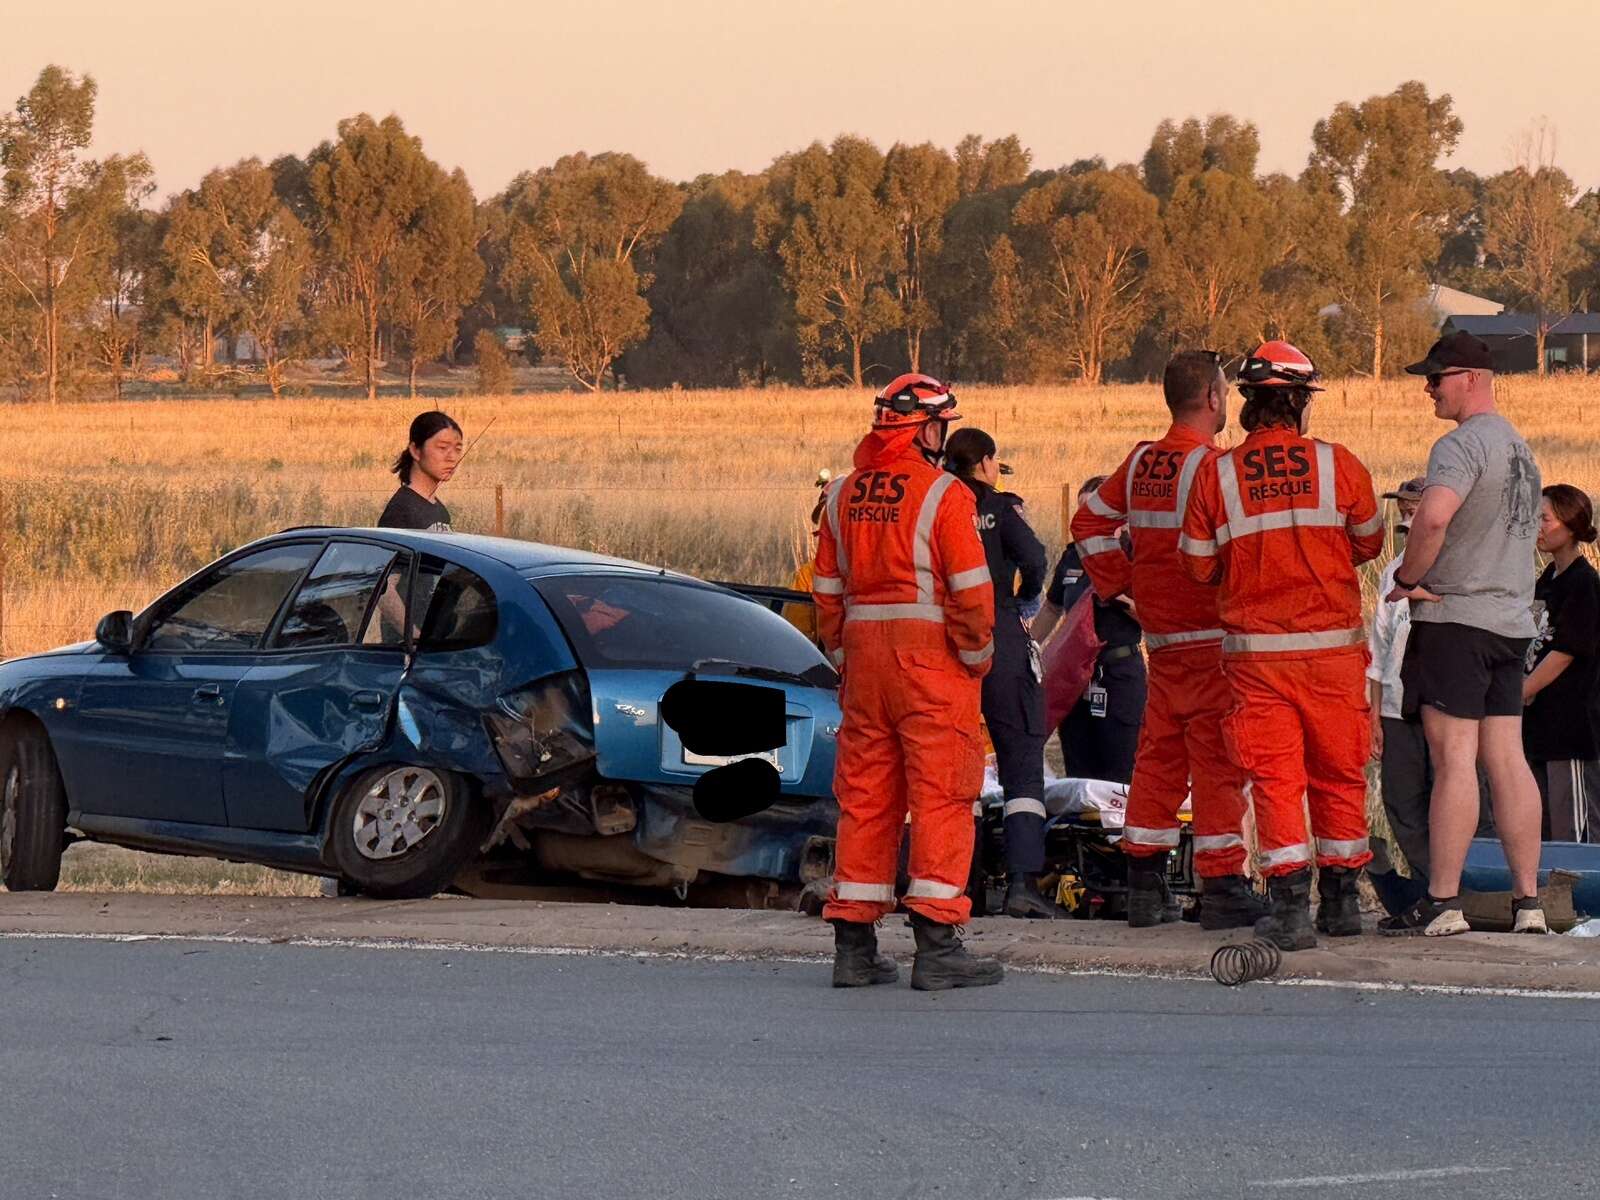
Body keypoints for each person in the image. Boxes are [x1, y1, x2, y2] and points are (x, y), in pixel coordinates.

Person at [1180, 340, 1384, 950]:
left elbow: (1197, 565)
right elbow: (1370, 541)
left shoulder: (1217, 473)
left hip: (1259, 659)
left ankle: (1291, 908)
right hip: (1333, 655)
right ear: (1299, 403)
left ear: (1248, 402)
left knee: (1275, 781)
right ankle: (1342, 904)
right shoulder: (1339, 464)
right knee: (1339, 773)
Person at [812, 373, 1003, 991]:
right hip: (932, 667)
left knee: (866, 797)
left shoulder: (841, 495)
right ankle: (938, 944)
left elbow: (826, 594)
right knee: (943, 795)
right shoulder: (945, 494)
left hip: (864, 667)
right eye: (940, 425)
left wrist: (846, 654)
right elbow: (973, 595)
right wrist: (976, 658)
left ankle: (854, 947)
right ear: (926, 430)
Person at [1070, 351, 1263, 932]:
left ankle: (1145, 885)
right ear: (1211, 398)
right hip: (1211, 637)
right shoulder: (1216, 468)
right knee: (1217, 762)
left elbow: (1088, 523)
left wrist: (1123, 585)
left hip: (1162, 639)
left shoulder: (1141, 462)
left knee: (1158, 760)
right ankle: (1223, 886)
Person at [1385, 331, 1546, 936]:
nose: (1428, 389)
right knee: (1507, 759)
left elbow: (1432, 517)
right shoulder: (1520, 450)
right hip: (1511, 624)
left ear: (1471, 379)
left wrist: (1406, 578)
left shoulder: (1459, 444)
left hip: (1457, 621)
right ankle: (1528, 903)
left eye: (1437, 378)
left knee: (1454, 760)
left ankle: (1444, 901)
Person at [944, 427, 1054, 919]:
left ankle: (957, 882)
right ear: (987, 462)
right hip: (1001, 636)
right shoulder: (1000, 507)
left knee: (953, 762)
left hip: (947, 642)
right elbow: (1035, 558)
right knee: (1021, 757)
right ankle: (1022, 884)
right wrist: (1025, 599)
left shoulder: (937, 503)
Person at [1037, 478, 1146, 787]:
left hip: (1118, 672)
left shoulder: (1134, 554)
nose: (1085, 517)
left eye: (1092, 509)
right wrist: (1028, 647)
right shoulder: (1072, 556)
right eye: (1081, 510)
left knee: (1120, 769)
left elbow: (1155, 616)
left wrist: (1119, 598)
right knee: (1078, 768)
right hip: (1074, 675)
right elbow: (1051, 608)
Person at [1523, 485, 1600, 842]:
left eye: (1545, 519)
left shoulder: (1584, 584)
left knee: (1574, 833)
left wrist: (1522, 690)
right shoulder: (1546, 581)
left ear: (1570, 526)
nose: (1537, 527)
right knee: (1544, 830)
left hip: (1571, 730)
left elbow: (1566, 651)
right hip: (1540, 727)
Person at [379, 411, 463, 531]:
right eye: (442, 447)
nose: (452, 457)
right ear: (415, 451)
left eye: (458, 449)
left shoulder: (441, 511)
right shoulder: (400, 511)